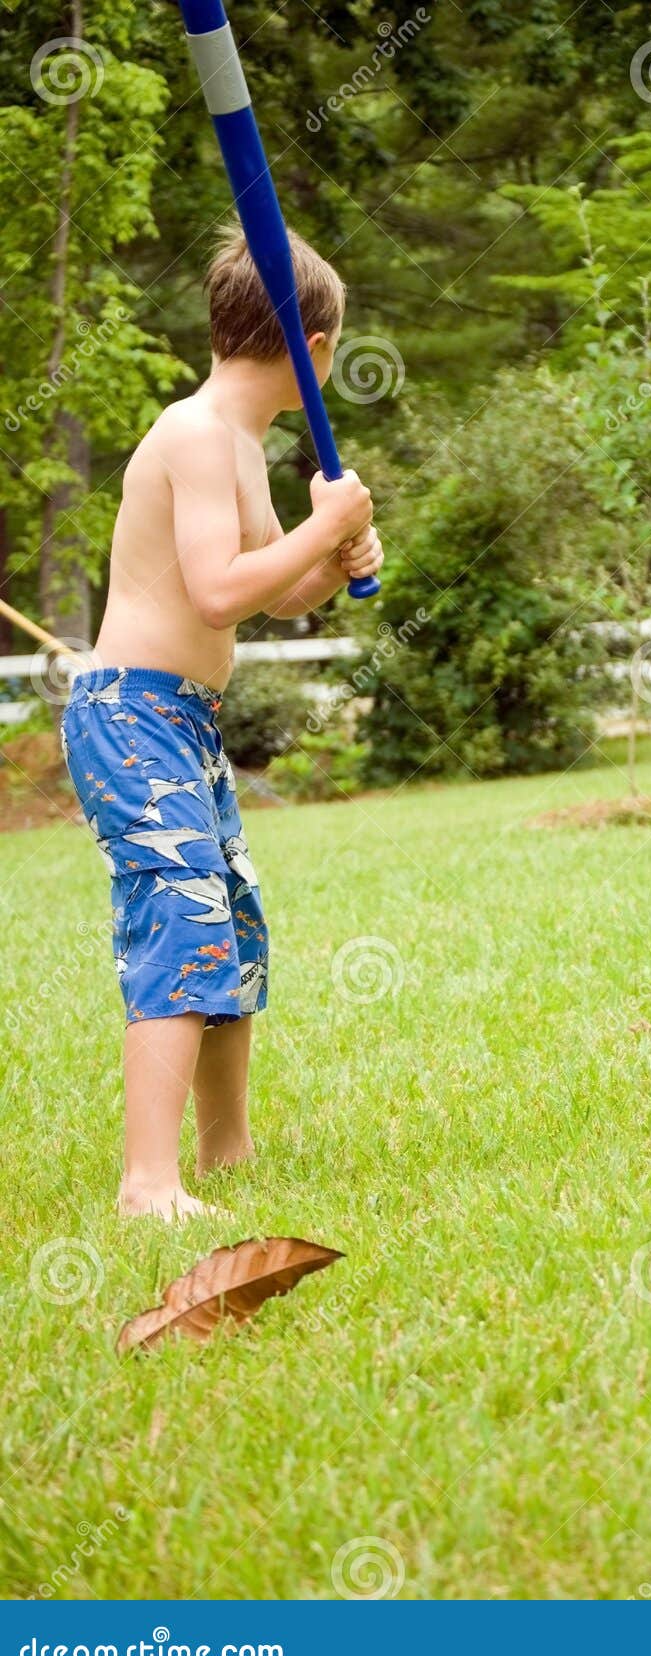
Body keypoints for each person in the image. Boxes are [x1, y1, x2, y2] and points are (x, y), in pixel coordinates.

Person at [62, 226, 381, 1219]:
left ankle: (226, 1150)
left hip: (181, 718)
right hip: (131, 714)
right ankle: (146, 1184)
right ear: (314, 350)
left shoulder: (239, 443)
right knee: (181, 921)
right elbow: (212, 594)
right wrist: (325, 528)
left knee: (231, 921)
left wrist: (330, 561)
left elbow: (267, 593)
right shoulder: (196, 435)